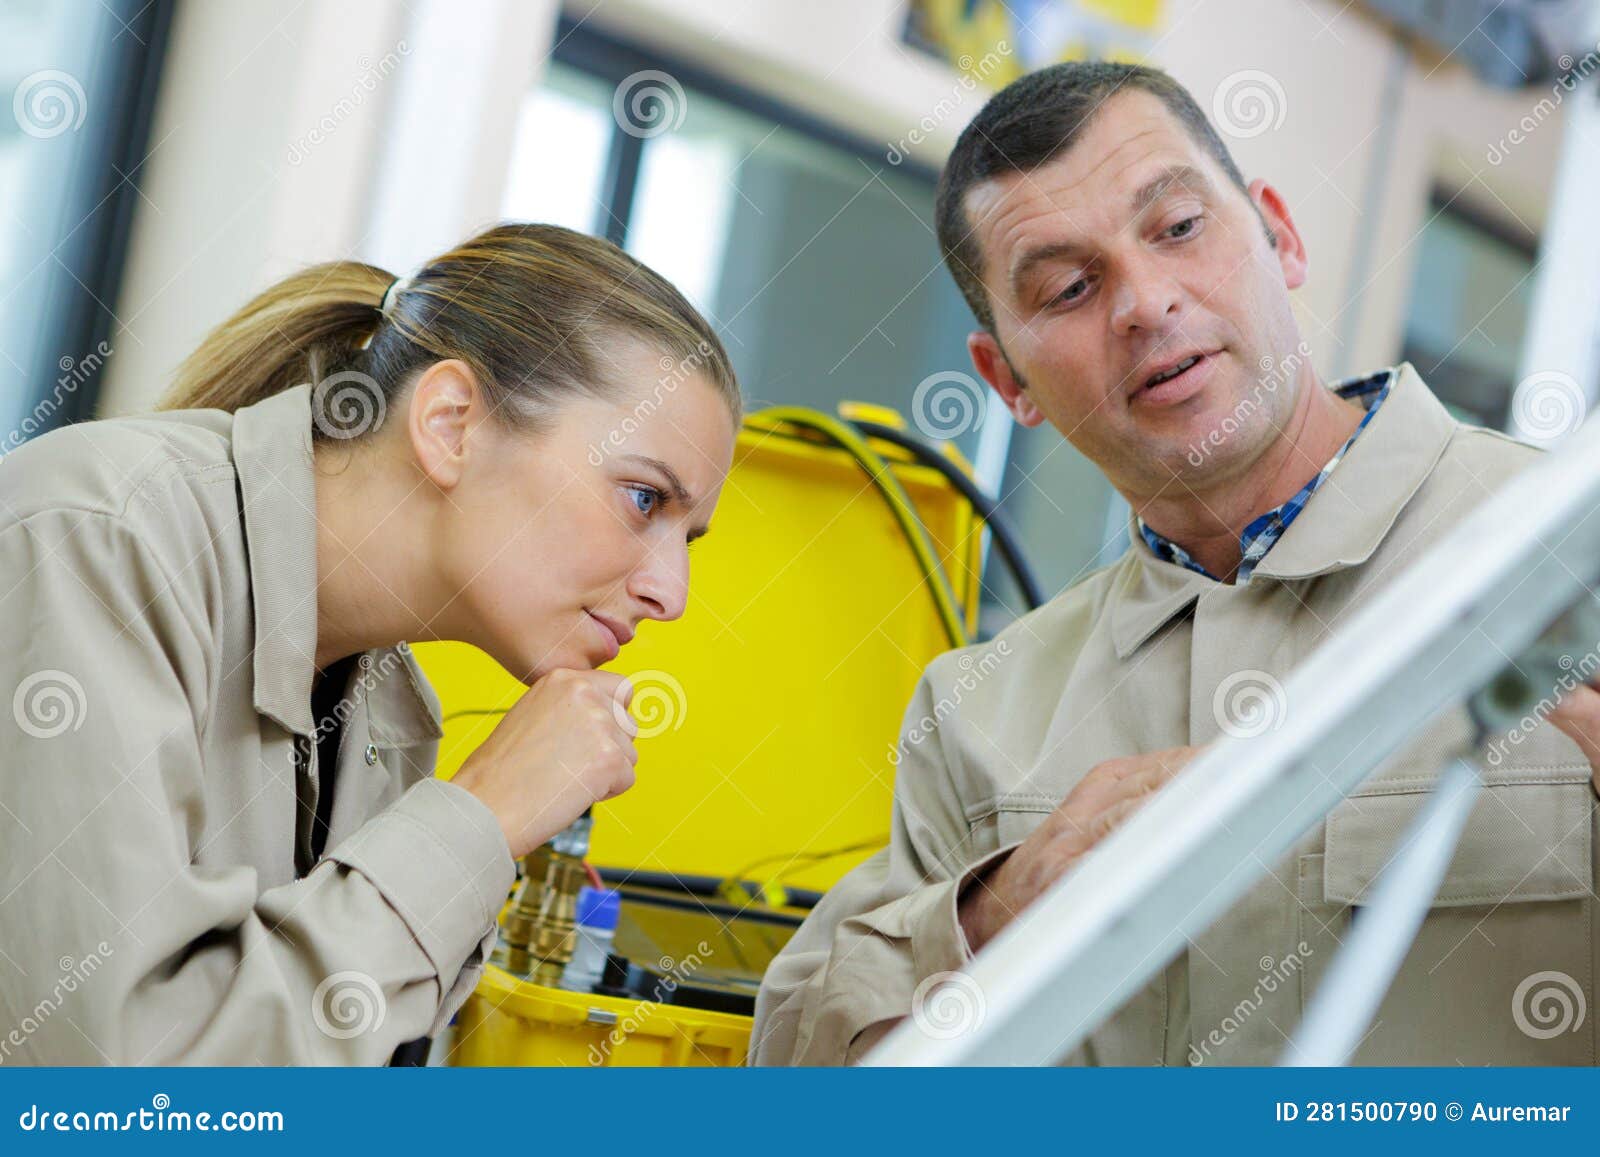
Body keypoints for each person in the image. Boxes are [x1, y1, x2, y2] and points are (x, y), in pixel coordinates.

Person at [753, 61, 1600, 1066]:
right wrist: (993, 912)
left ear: (1279, 236)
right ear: (1007, 380)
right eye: (1069, 287)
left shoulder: (1565, 554)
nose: (1145, 302)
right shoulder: (975, 712)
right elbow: (795, 1068)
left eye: (1178, 228)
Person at [0, 223, 740, 1064]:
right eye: (644, 499)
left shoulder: (392, 711)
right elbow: (114, 1096)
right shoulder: (93, 539)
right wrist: (479, 818)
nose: (670, 593)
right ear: (452, 422)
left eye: (690, 536)